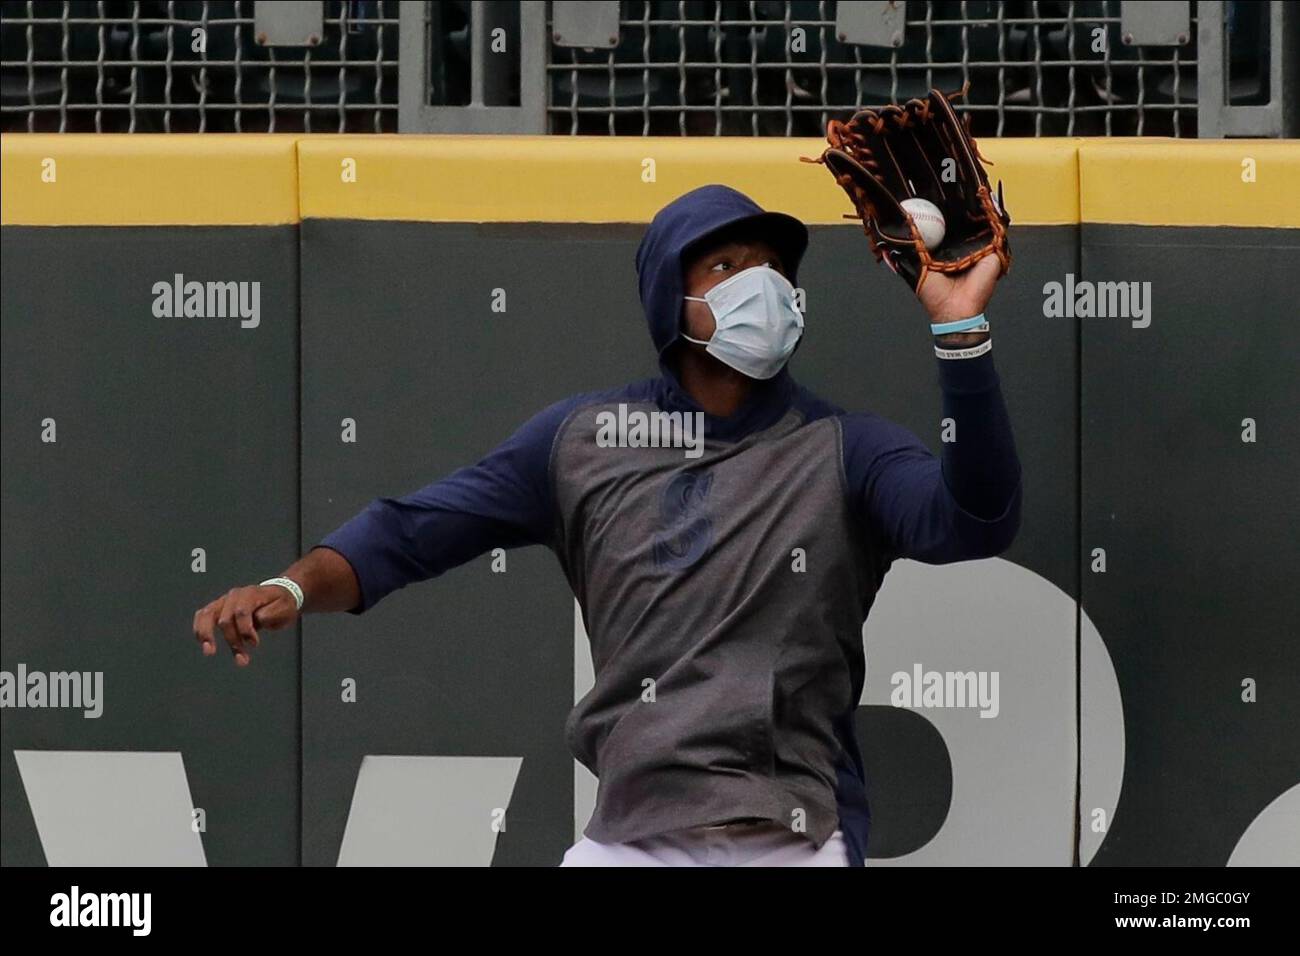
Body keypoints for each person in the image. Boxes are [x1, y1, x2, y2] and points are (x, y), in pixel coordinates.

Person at [192, 184, 1022, 867]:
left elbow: (977, 521)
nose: (758, 285)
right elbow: (409, 532)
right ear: (674, 298)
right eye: (726, 266)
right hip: (630, 837)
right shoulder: (580, 442)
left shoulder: (847, 449)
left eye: (773, 267)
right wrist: (288, 587)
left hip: (792, 838)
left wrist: (959, 330)